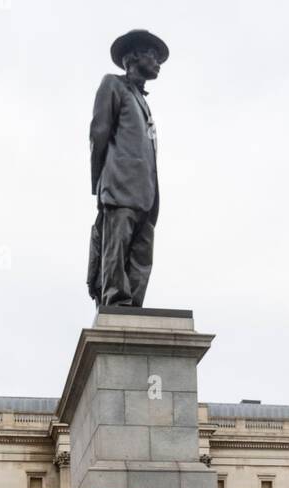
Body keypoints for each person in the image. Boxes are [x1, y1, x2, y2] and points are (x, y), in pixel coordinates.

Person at [87, 29, 169, 307]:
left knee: (142, 256)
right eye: (152, 55)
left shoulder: (144, 102)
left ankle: (134, 309)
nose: (157, 62)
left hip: (146, 194)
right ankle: (116, 302)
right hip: (119, 186)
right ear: (133, 56)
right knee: (116, 248)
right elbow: (99, 133)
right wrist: (99, 183)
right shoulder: (113, 85)